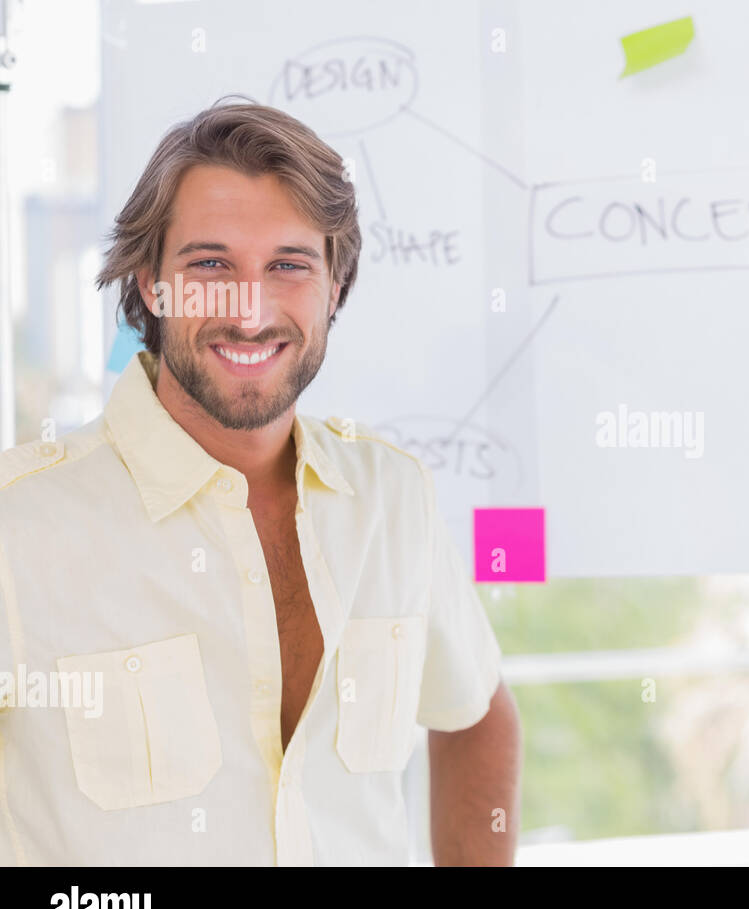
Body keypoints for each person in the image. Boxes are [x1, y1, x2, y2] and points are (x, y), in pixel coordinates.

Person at [0, 100, 520, 866]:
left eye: (288, 265)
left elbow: (474, 716)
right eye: (210, 265)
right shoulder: (21, 527)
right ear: (149, 284)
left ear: (334, 285)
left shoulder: (391, 499)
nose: (250, 312)